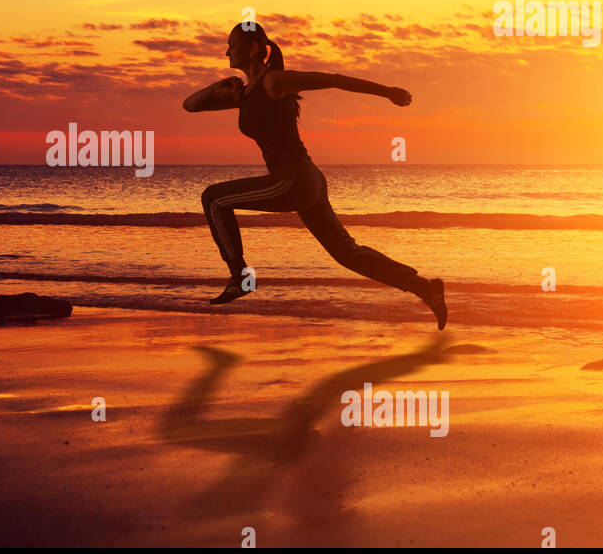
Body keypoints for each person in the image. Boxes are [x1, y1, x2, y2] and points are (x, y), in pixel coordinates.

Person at [182, 22, 448, 329]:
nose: (227, 50)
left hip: (293, 178)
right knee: (348, 254)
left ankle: (240, 276)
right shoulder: (244, 94)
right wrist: (218, 87)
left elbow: (332, 80)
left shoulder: (275, 82)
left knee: (214, 199)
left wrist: (387, 92)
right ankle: (425, 288)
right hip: (304, 180)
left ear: (253, 48)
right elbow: (190, 106)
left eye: (232, 44)